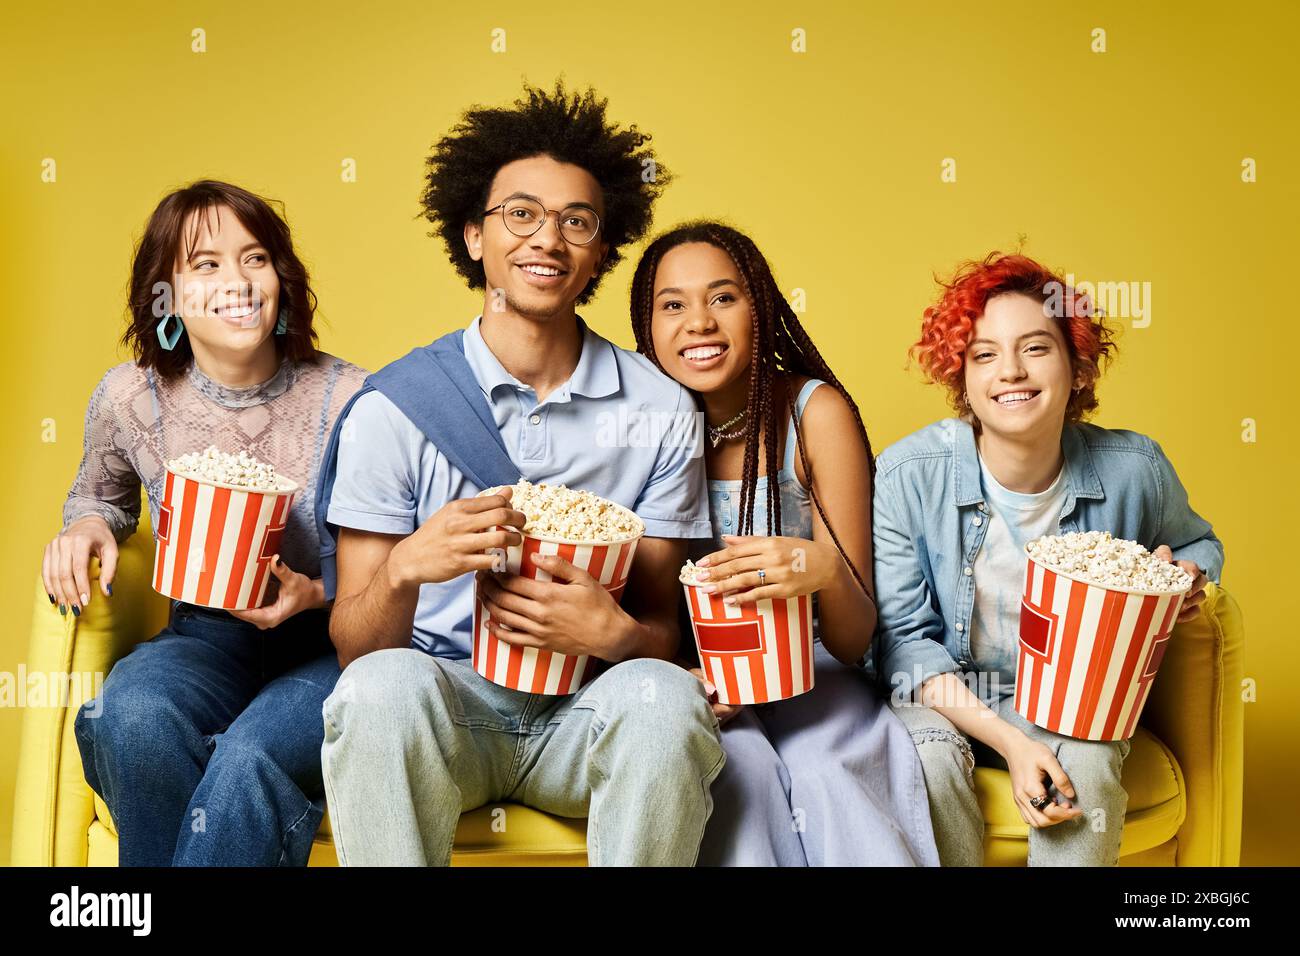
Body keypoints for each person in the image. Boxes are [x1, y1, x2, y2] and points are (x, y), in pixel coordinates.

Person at [314, 82, 725, 866]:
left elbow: (664, 629)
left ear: (602, 250)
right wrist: (404, 570)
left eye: (577, 221)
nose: (548, 239)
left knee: (668, 697)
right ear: (473, 235)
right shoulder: (396, 408)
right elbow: (352, 651)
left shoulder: (662, 408)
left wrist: (615, 635)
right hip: (449, 707)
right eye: (521, 215)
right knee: (379, 690)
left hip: (588, 713)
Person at [872, 252, 1223, 866]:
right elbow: (904, 641)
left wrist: (1190, 575)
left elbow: (1199, 544)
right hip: (948, 697)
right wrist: (1010, 743)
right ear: (962, 377)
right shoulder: (908, 474)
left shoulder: (1134, 469)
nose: (1010, 371)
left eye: (1035, 348)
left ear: (1076, 366)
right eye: (983, 355)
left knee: (1084, 764)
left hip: (1073, 701)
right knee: (923, 761)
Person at [55, 179, 367, 865]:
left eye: (255, 259)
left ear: (281, 278)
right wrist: (87, 525)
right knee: (131, 718)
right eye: (206, 264)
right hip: (203, 635)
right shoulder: (130, 397)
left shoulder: (351, 397)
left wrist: (319, 594)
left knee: (249, 757)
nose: (238, 282)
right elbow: (100, 496)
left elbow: (405, 555)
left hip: (332, 642)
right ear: (164, 291)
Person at [629, 220, 939, 866]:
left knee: (827, 776)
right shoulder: (643, 429)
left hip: (818, 677)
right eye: (673, 305)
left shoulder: (814, 414)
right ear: (648, 325)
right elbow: (646, 611)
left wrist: (823, 568)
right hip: (709, 688)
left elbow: (854, 643)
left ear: (760, 307)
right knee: (735, 777)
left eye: (723, 297)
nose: (699, 324)